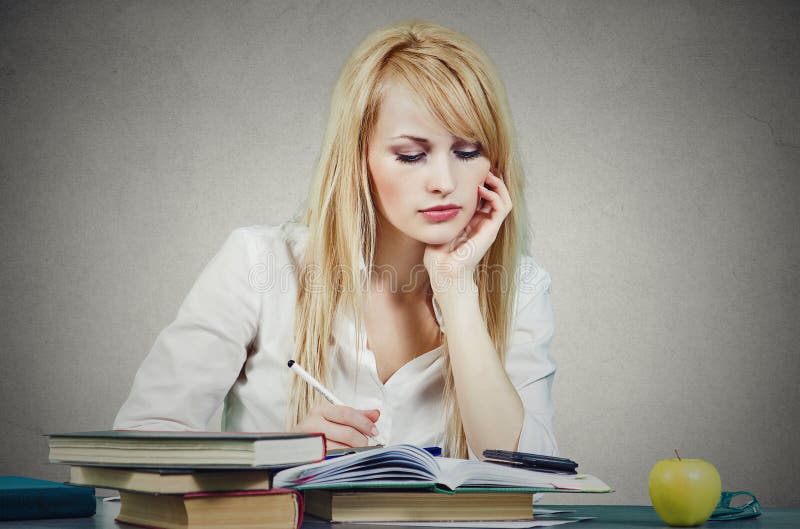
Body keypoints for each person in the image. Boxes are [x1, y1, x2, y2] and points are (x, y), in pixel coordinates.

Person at [114, 19, 558, 461]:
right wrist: (279, 453)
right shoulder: (260, 263)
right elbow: (138, 442)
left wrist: (456, 289)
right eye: (410, 155)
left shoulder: (521, 287)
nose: (444, 181)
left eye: (467, 152)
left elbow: (529, 473)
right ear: (358, 157)